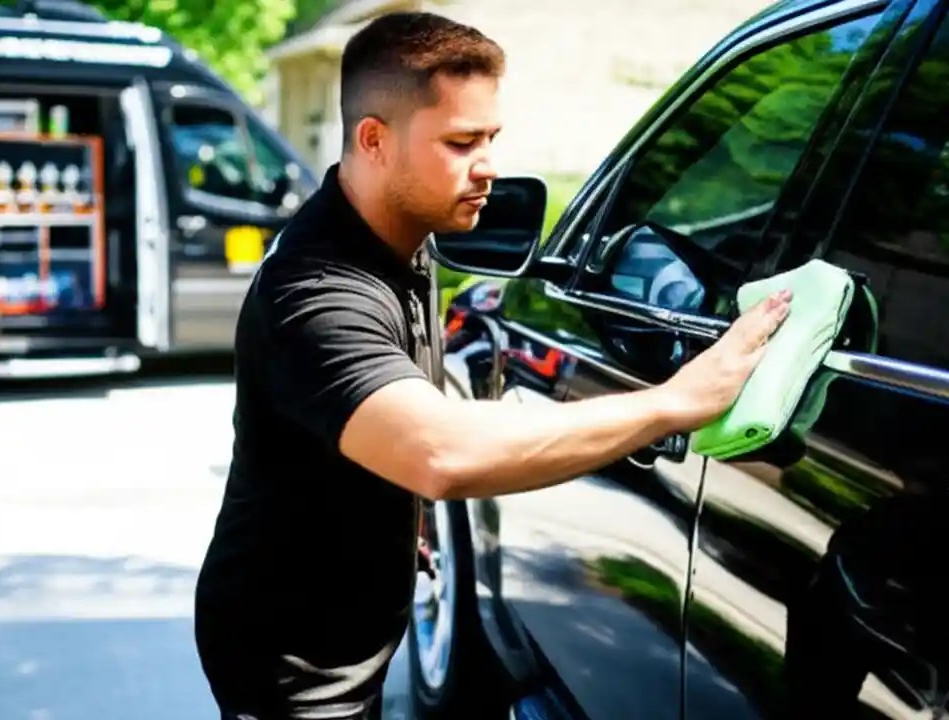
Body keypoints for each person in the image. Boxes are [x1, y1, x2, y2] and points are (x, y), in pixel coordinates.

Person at [193, 11, 792, 720]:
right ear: (374, 140)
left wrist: (395, 514)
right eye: (460, 142)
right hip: (296, 657)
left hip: (338, 616)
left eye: (491, 139)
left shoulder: (400, 229)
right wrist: (677, 402)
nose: (487, 167)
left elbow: (392, 410)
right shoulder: (319, 292)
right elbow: (441, 454)